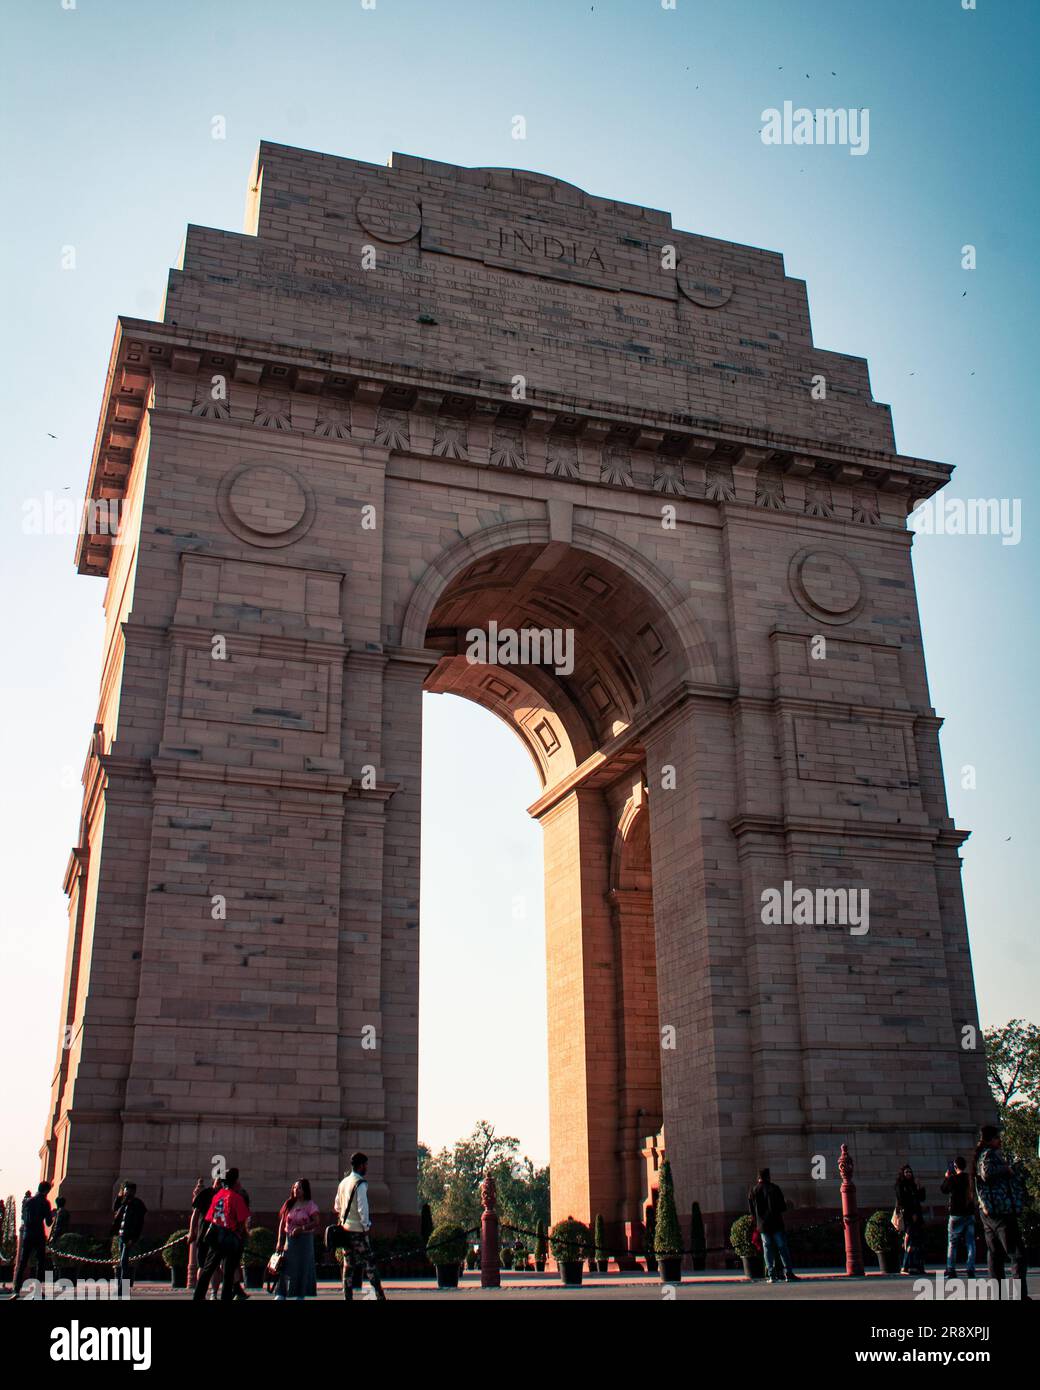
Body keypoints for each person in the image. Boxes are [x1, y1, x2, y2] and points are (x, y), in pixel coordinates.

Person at [973, 1124, 1030, 1299]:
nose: (1000, 1140)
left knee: (995, 1254)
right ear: (991, 1139)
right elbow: (987, 1173)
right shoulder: (988, 1154)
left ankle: (999, 1295)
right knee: (1017, 1254)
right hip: (1000, 1211)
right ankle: (1021, 1295)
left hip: (990, 1212)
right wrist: (1006, 1169)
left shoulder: (982, 1154)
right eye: (998, 1137)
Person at [333, 1152, 387, 1300]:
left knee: (348, 1266)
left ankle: (347, 1297)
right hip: (358, 1231)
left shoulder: (343, 1183)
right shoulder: (360, 1183)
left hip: (345, 1230)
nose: (367, 1167)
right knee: (370, 1265)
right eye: (366, 1165)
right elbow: (363, 1208)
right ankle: (379, 1296)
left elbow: (337, 1206)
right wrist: (366, 1226)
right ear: (361, 1165)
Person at [193, 1168, 250, 1303]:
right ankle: (226, 1297)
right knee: (228, 1272)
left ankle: (198, 1296)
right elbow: (242, 1221)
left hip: (215, 1236)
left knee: (208, 1268)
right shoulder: (236, 1198)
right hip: (230, 1237)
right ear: (235, 1182)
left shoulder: (218, 1195)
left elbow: (210, 1217)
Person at [747, 1167, 798, 1283]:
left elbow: (751, 1211)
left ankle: (771, 1274)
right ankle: (788, 1273)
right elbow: (782, 1207)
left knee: (767, 1249)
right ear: (768, 1176)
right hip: (776, 1223)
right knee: (782, 1248)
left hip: (762, 1225)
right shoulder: (774, 1188)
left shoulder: (753, 1190)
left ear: (758, 1177)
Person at [274, 1179, 320, 1300]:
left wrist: (302, 1228)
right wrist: (280, 1240)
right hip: (290, 1241)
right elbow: (282, 1223)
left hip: (305, 1241)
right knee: (286, 1267)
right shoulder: (289, 1203)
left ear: (304, 1190)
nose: (296, 1190)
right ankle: (281, 1293)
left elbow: (316, 1222)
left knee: (303, 1268)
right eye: (294, 1187)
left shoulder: (310, 1205)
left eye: (299, 1188)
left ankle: (300, 1294)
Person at [9, 1182, 54, 1297]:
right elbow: (48, 1223)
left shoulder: (28, 1201)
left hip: (27, 1234)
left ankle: (16, 1290)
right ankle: (37, 1290)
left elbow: (24, 1217)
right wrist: (52, 1214)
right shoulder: (45, 1202)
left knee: (23, 1262)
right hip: (38, 1234)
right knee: (40, 1263)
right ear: (46, 1191)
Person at [941, 1157, 976, 1279]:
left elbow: (943, 1190)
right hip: (969, 1213)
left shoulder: (952, 1179)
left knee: (952, 1243)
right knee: (970, 1243)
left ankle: (951, 1269)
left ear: (955, 1167)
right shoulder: (970, 1178)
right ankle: (970, 1269)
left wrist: (946, 1177)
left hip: (956, 1214)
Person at [111, 1182, 147, 1294]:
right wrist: (119, 1196)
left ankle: (123, 1289)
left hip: (129, 1237)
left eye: (128, 1190)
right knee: (122, 1263)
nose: (127, 1192)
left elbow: (139, 1224)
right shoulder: (124, 1203)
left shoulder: (137, 1204)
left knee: (124, 1263)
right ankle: (122, 1288)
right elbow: (114, 1209)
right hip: (121, 1236)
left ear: (133, 1191)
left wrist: (134, 1238)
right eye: (125, 1190)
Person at [894, 1165, 926, 1275]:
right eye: (906, 1172)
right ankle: (905, 1266)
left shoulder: (913, 1185)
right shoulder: (900, 1185)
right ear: (902, 1173)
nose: (909, 1174)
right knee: (909, 1240)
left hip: (917, 1215)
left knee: (918, 1242)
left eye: (910, 1172)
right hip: (907, 1216)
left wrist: (920, 1187)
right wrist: (912, 1213)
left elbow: (922, 1198)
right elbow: (902, 1200)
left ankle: (917, 1266)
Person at [187, 1177, 213, 1288]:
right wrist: (192, 1231)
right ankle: (201, 1291)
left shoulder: (223, 1195)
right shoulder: (205, 1194)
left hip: (217, 1236)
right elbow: (195, 1214)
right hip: (204, 1235)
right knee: (202, 1265)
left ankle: (213, 1293)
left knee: (215, 1267)